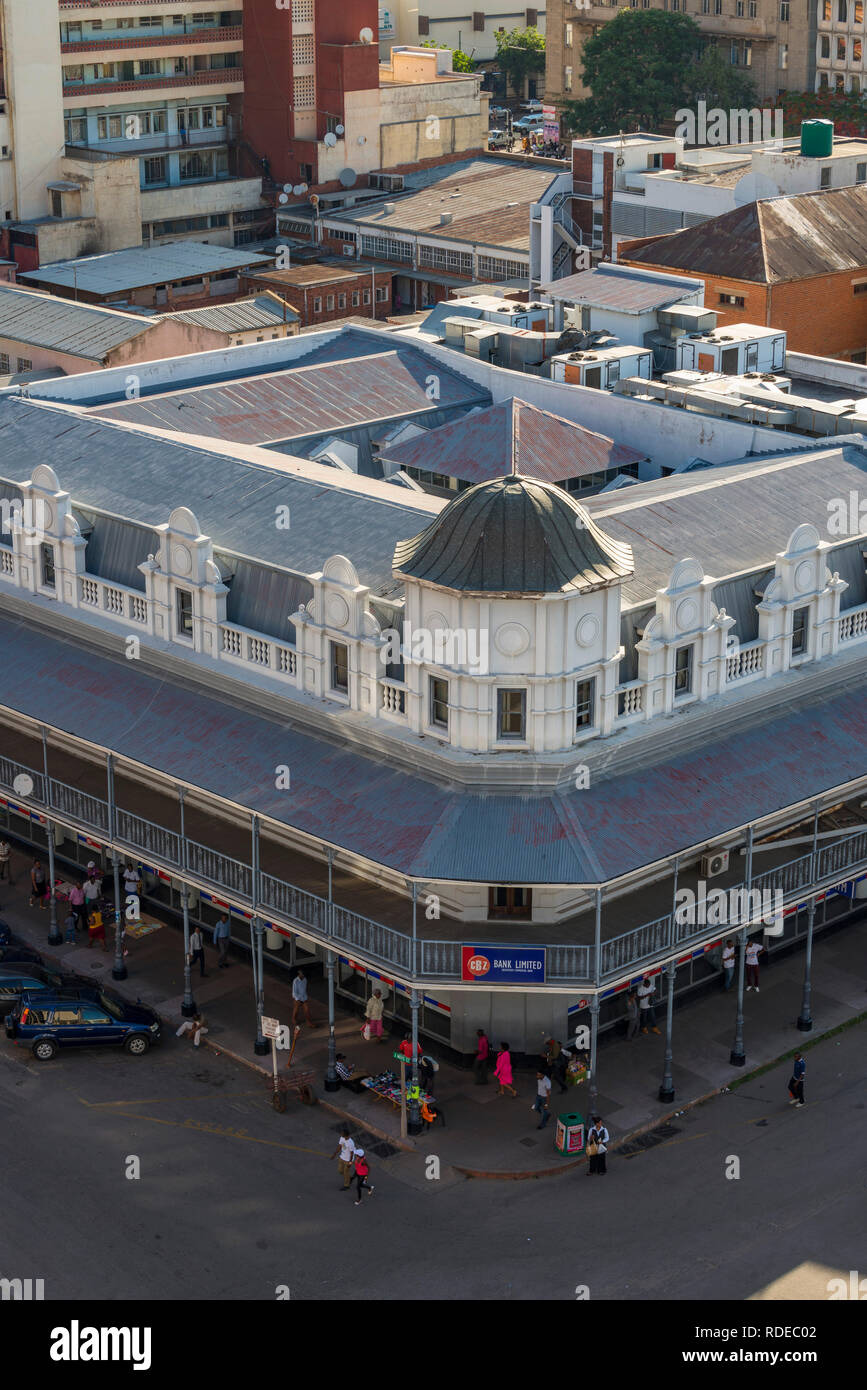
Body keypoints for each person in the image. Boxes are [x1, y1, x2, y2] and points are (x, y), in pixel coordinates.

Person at [331, 1126, 357, 1190]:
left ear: (346, 1134)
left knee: (346, 1172)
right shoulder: (342, 1138)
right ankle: (348, 1178)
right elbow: (340, 1146)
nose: (341, 1134)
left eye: (342, 1133)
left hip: (348, 1160)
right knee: (340, 1171)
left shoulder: (351, 1143)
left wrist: (350, 1162)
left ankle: (346, 1185)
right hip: (342, 1157)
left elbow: (351, 1154)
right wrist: (334, 1154)